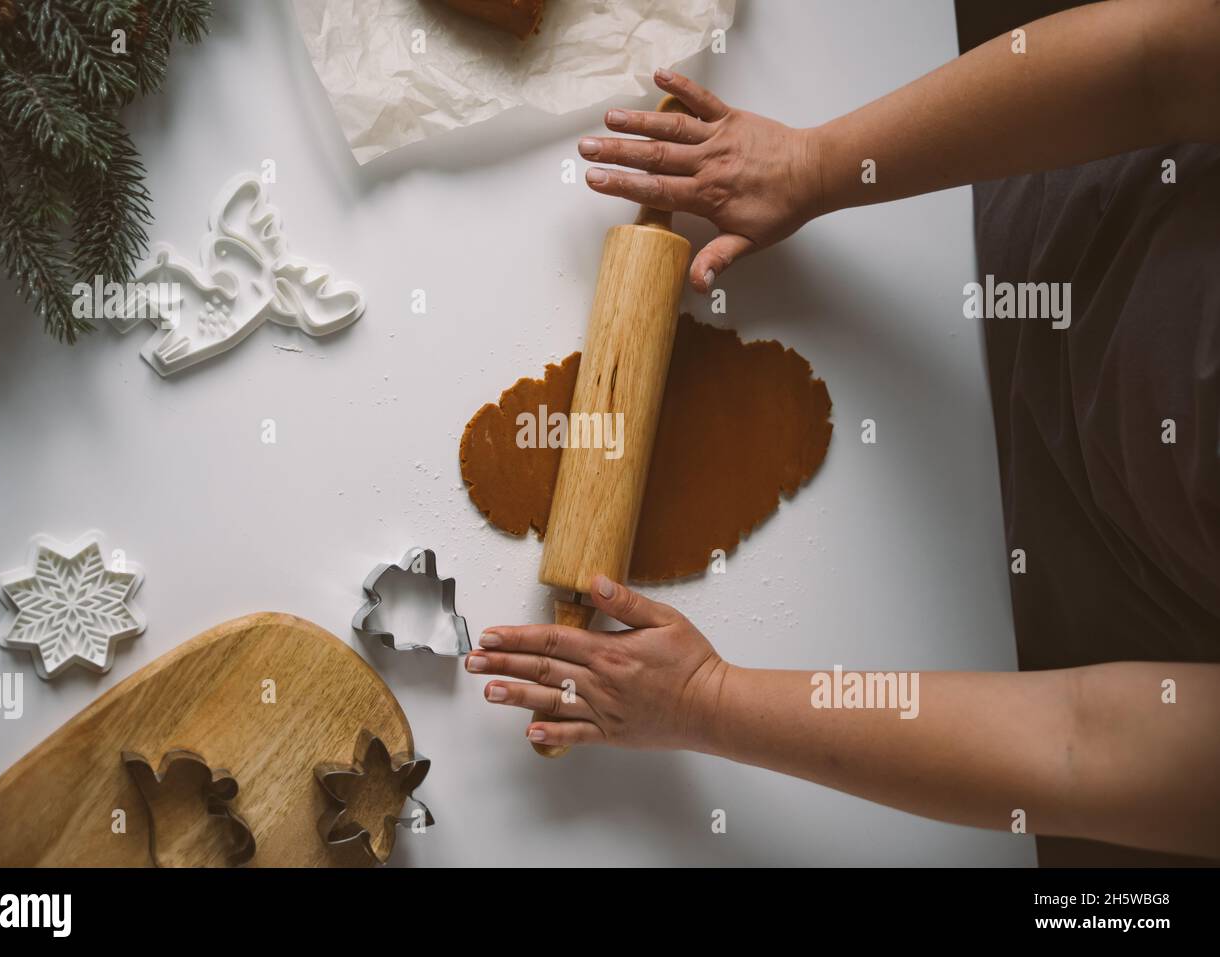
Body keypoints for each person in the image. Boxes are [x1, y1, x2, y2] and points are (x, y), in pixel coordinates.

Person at [465, 0, 1220, 866]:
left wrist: (710, 701)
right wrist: (819, 164)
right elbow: (1163, 67)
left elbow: (1084, 743)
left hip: (1058, 582)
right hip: (1022, 202)